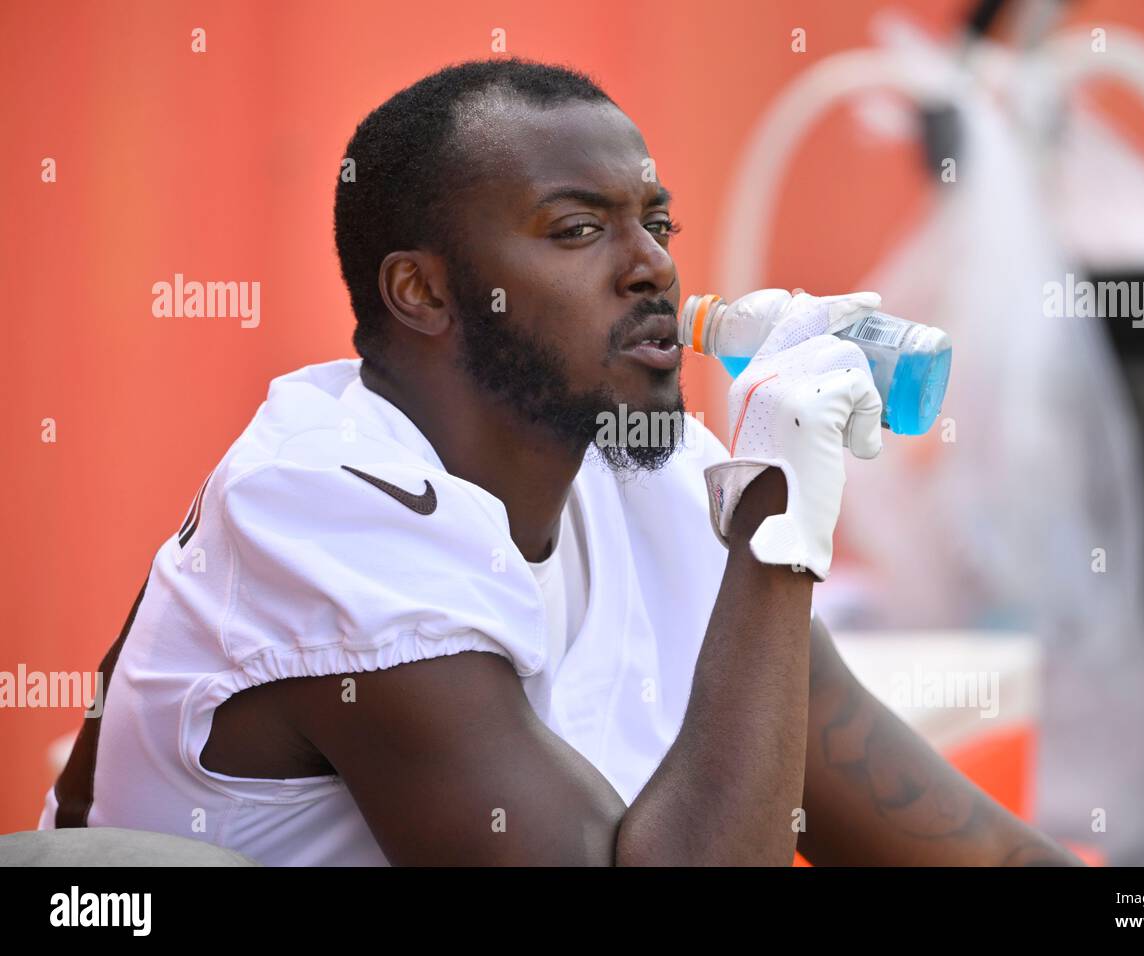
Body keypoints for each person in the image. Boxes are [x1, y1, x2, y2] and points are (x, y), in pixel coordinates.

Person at [36, 56, 1081, 866]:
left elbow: (971, 848)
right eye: (579, 228)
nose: (654, 265)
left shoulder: (649, 469)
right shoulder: (321, 505)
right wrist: (779, 526)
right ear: (424, 293)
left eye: (657, 220)